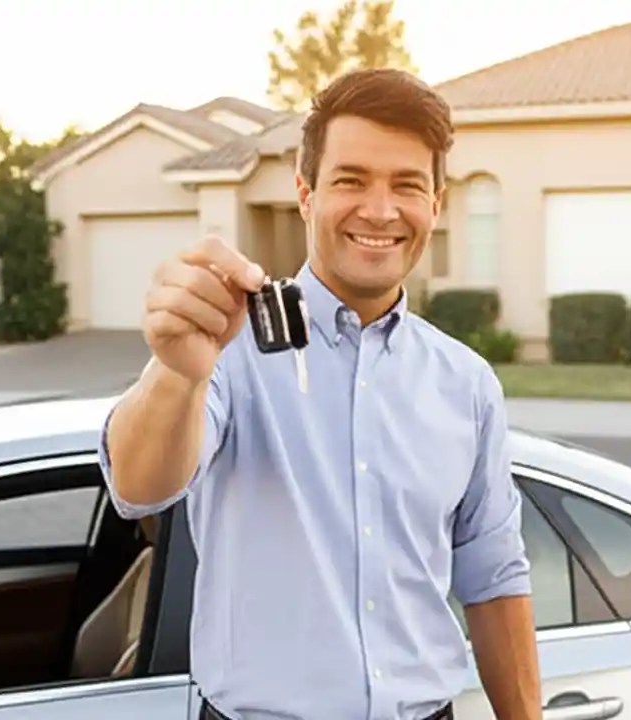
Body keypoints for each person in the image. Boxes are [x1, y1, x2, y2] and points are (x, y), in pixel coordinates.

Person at [100, 68, 541, 720]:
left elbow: (495, 576)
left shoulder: (466, 382)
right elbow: (139, 485)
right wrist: (176, 372)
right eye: (351, 180)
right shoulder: (226, 347)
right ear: (305, 193)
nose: (381, 210)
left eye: (407, 186)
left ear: (436, 205)